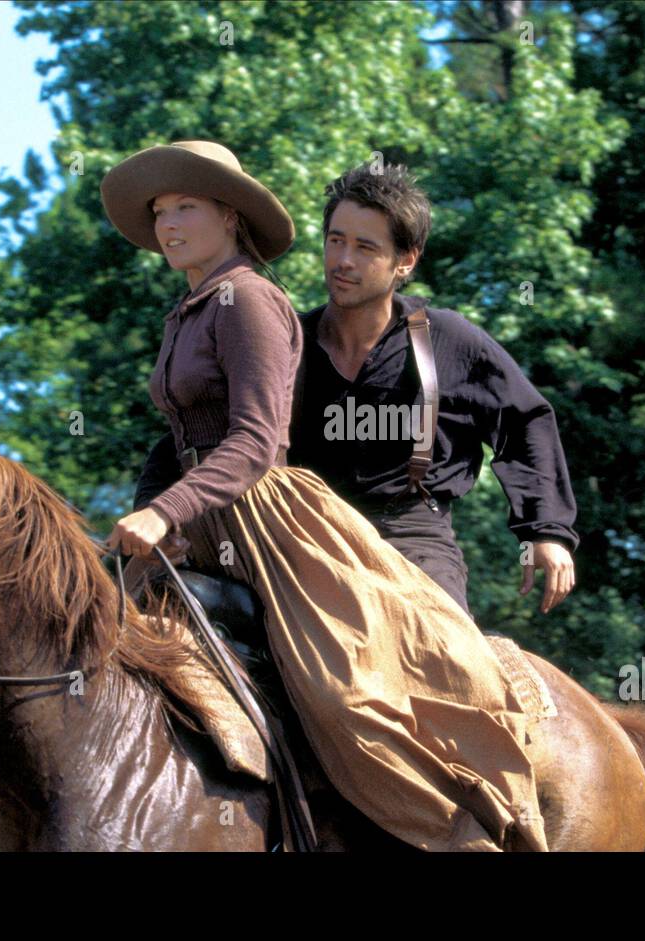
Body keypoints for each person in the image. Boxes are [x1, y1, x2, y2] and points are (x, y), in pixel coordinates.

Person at [101, 140, 547, 851]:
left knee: (352, 697)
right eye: (160, 210)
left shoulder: (251, 300)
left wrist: (545, 529)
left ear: (230, 215)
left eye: (187, 205)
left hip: (312, 524)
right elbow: (180, 440)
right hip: (221, 520)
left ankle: (463, 831)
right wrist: (150, 519)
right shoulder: (195, 311)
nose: (168, 223)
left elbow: (253, 443)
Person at [135, 163, 579, 618]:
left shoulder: (448, 340)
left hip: (411, 539)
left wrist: (545, 531)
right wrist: (154, 512)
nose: (343, 261)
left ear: (406, 260)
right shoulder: (286, 338)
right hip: (306, 537)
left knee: (451, 664)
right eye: (335, 241)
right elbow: (197, 432)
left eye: (365, 247)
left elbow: (525, 423)